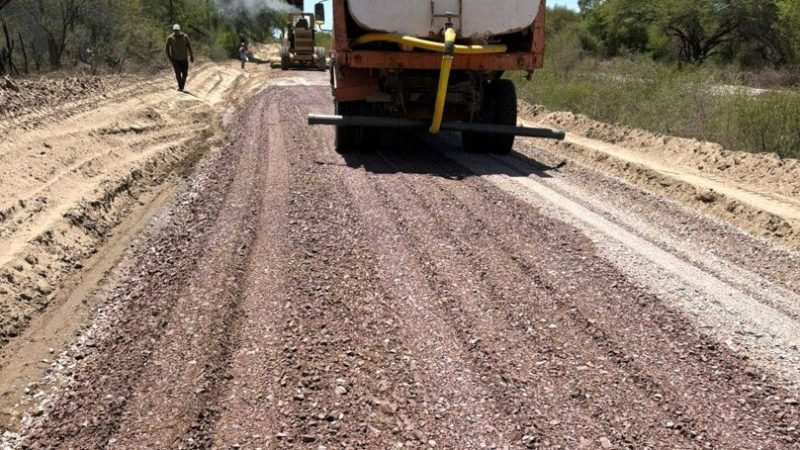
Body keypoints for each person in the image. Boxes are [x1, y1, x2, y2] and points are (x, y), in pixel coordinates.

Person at [165, 24, 194, 92]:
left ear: (179, 30)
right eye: (175, 30)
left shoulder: (185, 37)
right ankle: (180, 87)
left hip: (184, 59)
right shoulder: (170, 38)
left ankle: (182, 85)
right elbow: (167, 48)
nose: (176, 32)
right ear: (173, 30)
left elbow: (189, 46)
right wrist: (170, 57)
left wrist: (191, 56)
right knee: (178, 74)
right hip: (175, 59)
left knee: (185, 74)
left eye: (177, 30)